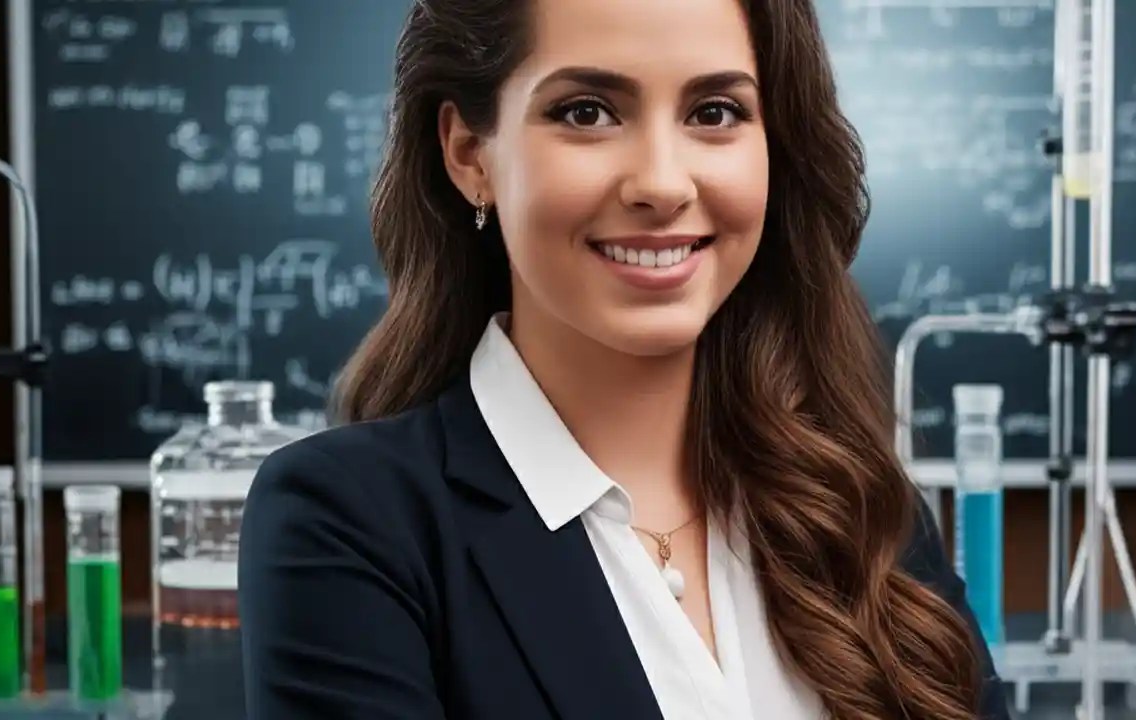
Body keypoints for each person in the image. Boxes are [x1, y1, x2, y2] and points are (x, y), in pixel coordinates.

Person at [237, 0, 1011, 717]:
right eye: (587, 112)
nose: (662, 184)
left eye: (715, 112)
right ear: (468, 151)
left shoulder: (857, 503)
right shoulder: (347, 523)